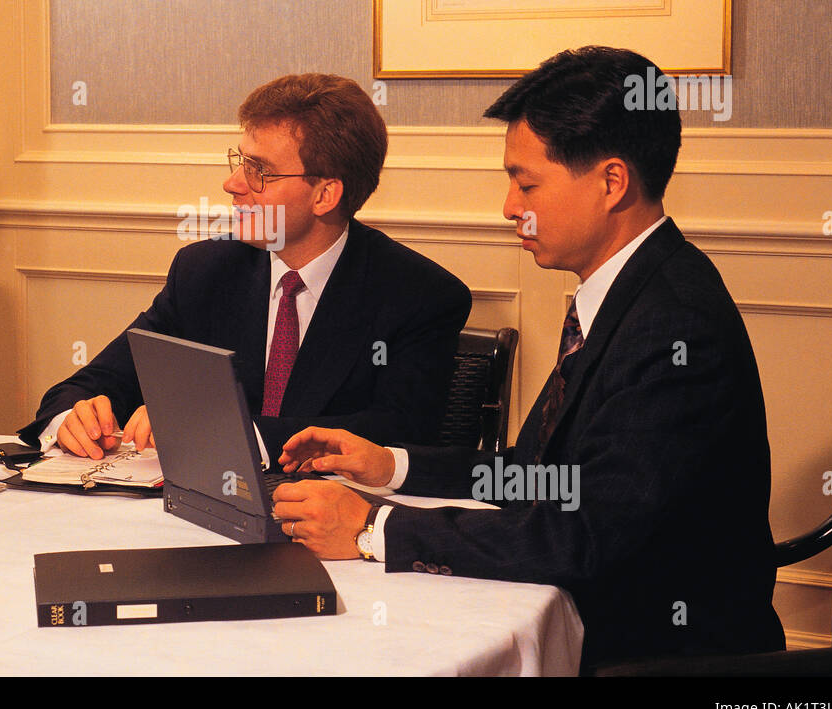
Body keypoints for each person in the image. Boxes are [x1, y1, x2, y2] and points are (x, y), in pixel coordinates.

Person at [272, 47, 784, 670]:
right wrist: (391, 467)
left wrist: (371, 527)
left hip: (659, 657)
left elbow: (585, 536)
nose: (510, 206)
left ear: (611, 182)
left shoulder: (674, 327)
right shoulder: (634, 288)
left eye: (527, 182)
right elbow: (539, 474)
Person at [17, 73, 472, 463]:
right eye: (240, 161)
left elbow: (399, 434)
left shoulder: (418, 295)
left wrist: (222, 435)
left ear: (325, 194)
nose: (233, 184)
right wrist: (71, 417)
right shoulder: (206, 271)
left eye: (259, 170)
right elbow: (97, 381)